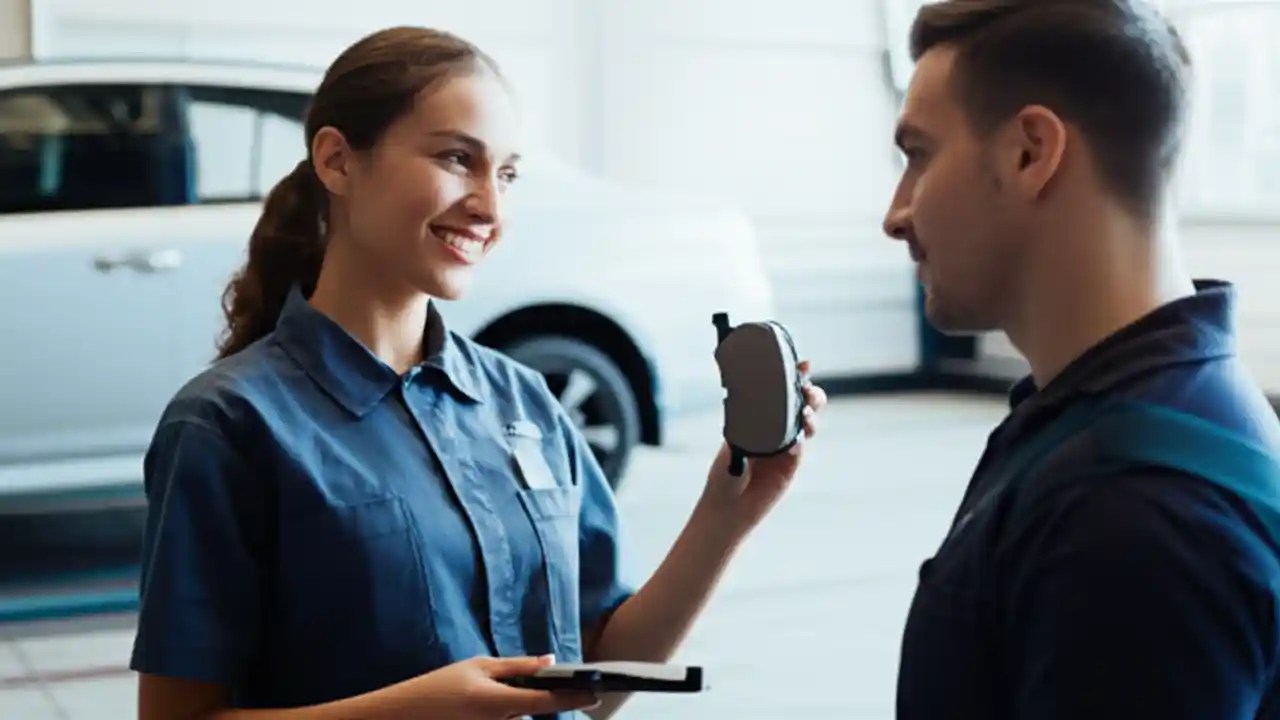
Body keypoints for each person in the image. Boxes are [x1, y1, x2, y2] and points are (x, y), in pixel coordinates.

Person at [128, 25, 827, 720]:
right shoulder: (228, 427)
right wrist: (413, 711)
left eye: (508, 173)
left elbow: (602, 679)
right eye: (458, 159)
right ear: (338, 161)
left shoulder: (523, 401)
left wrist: (729, 510)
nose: (491, 207)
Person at [884, 1, 1280, 718]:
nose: (896, 211)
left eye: (918, 155)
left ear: (1031, 152)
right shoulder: (1139, 411)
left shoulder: (1133, 515)